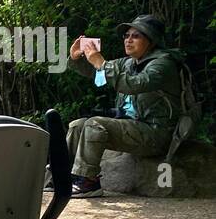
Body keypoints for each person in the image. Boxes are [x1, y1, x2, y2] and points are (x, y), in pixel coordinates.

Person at [63, 15, 184, 197]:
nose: (128, 40)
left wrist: (101, 63)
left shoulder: (163, 64)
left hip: (156, 133)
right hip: (132, 126)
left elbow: (134, 84)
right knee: (77, 125)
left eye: (136, 36)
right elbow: (97, 74)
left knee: (95, 124)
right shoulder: (128, 63)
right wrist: (76, 58)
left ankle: (88, 182)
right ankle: (61, 177)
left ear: (151, 40)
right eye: (126, 36)